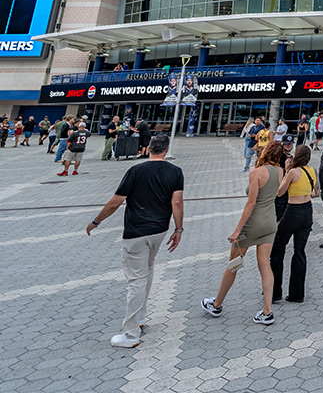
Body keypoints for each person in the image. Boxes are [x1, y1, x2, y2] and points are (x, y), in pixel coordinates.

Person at [86, 133, 184, 348]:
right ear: (166, 150)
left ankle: (130, 334)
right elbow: (176, 203)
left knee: (136, 280)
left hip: (136, 232)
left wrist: (96, 221)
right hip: (159, 230)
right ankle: (140, 319)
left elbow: (115, 202)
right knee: (147, 271)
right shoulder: (175, 171)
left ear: (149, 149)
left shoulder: (136, 170)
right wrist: (178, 229)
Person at [203, 141, 283, 326]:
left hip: (252, 224)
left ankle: (217, 304)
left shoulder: (256, 173)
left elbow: (251, 203)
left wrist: (238, 229)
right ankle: (267, 311)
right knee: (265, 265)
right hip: (270, 222)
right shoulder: (280, 172)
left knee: (233, 265)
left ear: (265, 152)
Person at [271, 144, 318, 304]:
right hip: (307, 211)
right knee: (299, 251)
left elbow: (279, 192)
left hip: (293, 211)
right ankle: (297, 294)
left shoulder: (292, 172)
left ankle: (274, 292)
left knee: (277, 249)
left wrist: (286, 170)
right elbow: (316, 193)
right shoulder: (312, 171)